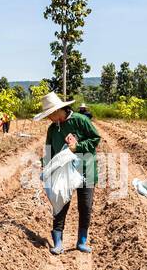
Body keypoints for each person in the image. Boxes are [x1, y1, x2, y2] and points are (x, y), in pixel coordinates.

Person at [34, 92, 100, 254]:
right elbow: (49, 150)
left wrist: (78, 147)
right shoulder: (52, 129)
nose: (49, 118)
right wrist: (46, 167)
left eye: (49, 115)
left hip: (86, 170)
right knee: (60, 204)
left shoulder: (81, 120)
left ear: (58, 110)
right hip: (63, 173)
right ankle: (58, 242)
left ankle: (82, 241)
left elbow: (95, 139)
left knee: (85, 207)